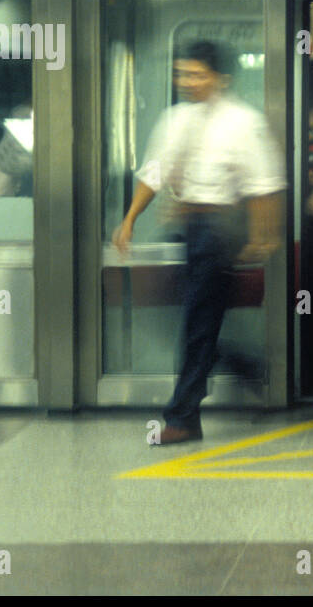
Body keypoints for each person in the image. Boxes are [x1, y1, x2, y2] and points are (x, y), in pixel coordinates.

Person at [113, 41, 286, 445]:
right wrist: (130, 219)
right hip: (190, 227)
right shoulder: (175, 119)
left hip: (221, 227)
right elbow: (154, 171)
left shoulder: (243, 121)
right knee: (199, 319)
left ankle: (183, 415)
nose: (187, 82)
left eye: (195, 74)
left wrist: (264, 235)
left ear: (219, 78)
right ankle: (236, 362)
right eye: (181, 74)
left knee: (198, 319)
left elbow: (265, 184)